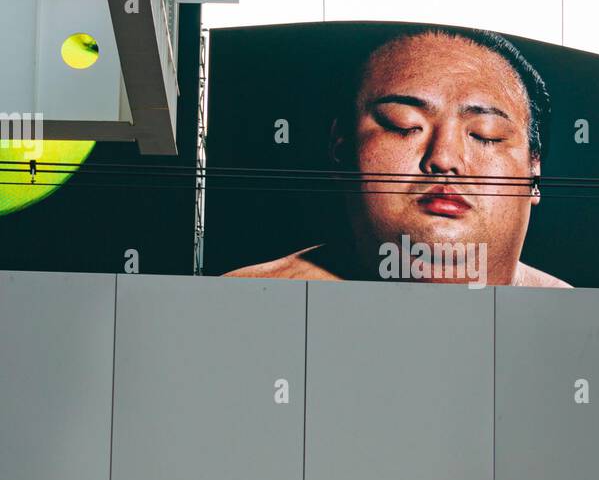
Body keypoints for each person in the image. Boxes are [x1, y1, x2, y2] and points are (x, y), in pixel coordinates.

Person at [225, 26, 571, 287]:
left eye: (485, 134)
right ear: (341, 148)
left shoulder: (582, 323)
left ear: (534, 171)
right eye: (403, 125)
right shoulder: (242, 304)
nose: (444, 158)